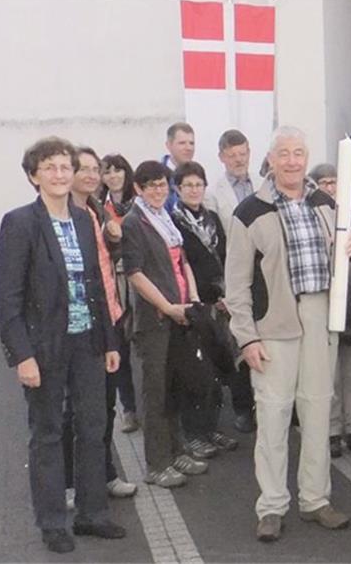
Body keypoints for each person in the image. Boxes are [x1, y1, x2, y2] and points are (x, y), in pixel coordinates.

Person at [0, 137, 126, 553]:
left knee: (93, 428)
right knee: (48, 433)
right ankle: (52, 521)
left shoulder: (85, 220)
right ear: (34, 175)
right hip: (44, 348)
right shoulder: (20, 223)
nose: (59, 174)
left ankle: (92, 513)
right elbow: (7, 297)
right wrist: (22, 355)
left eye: (65, 166)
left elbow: (97, 285)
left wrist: (108, 340)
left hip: (88, 342)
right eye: (48, 167)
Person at [224, 126, 351, 541]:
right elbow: (237, 285)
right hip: (273, 326)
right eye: (285, 154)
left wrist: (348, 253)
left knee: (317, 413)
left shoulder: (327, 203)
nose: (293, 161)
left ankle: (316, 499)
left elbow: (348, 261)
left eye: (299, 153)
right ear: (272, 159)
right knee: (274, 417)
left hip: (319, 319)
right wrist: (247, 338)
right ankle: (273, 505)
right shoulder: (249, 213)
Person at [122, 161, 209, 488]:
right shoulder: (134, 223)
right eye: (151, 186)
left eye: (162, 185)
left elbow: (182, 261)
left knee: (175, 388)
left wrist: (194, 298)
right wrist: (167, 307)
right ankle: (157, 464)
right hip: (155, 320)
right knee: (155, 392)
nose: (158, 191)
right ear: (139, 189)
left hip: (179, 316)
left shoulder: (166, 219)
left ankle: (178, 451)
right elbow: (135, 274)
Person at [61, 146, 138, 506]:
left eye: (97, 169)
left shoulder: (94, 209)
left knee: (105, 405)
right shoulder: (63, 213)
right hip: (78, 327)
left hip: (109, 316)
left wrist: (113, 239)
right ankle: (71, 483)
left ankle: (104, 473)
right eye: (85, 169)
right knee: (74, 410)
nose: (92, 175)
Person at [170, 161, 241, 457]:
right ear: (178, 189)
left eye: (199, 184)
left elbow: (225, 255)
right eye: (188, 185)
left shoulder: (212, 219)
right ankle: (194, 434)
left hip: (219, 303)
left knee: (217, 369)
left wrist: (228, 292)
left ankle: (212, 429)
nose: (195, 190)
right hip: (192, 305)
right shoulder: (173, 221)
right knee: (195, 373)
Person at [310, 163, 351, 459]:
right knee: (331, 370)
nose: (331, 188)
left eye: (335, 182)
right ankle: (333, 429)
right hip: (326, 299)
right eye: (324, 183)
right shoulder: (310, 218)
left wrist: (346, 278)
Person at [203, 129, 258, 433]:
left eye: (242, 153)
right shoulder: (213, 193)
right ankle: (243, 408)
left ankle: (270, 406)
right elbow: (214, 242)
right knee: (239, 342)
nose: (238, 160)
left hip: (264, 275)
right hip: (233, 275)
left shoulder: (264, 184)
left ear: (249, 152)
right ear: (222, 157)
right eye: (232, 155)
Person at [100, 153, 140, 433]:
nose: (113, 176)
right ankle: (129, 408)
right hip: (116, 281)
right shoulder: (98, 207)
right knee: (121, 346)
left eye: (118, 170)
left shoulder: (140, 202)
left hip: (144, 278)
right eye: (108, 171)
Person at [161, 122, 196, 210]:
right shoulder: (157, 175)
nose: (188, 148)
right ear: (168, 145)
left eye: (191, 143)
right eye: (182, 143)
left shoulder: (197, 175)